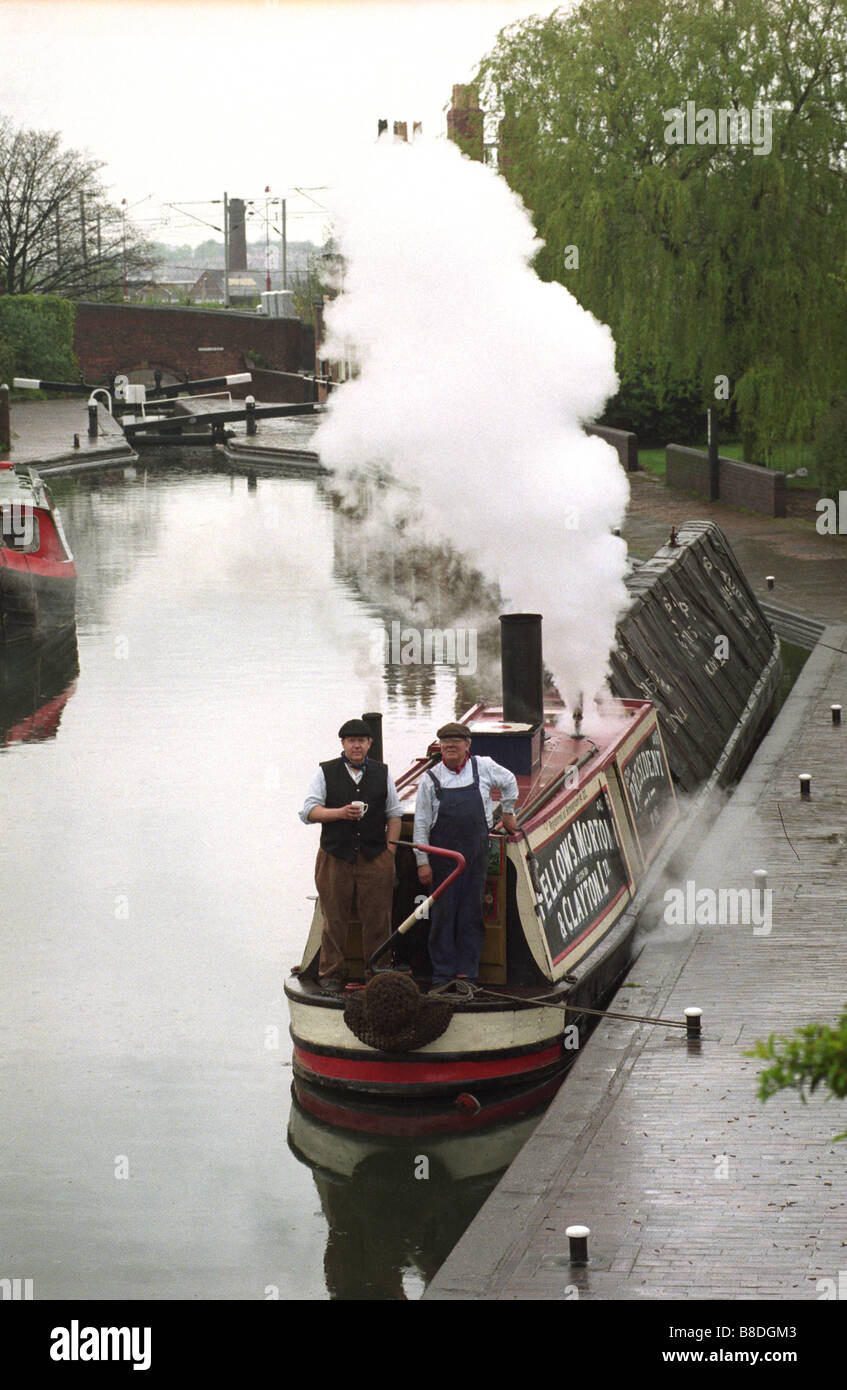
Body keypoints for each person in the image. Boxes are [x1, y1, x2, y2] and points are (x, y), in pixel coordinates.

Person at [300, 719, 402, 992]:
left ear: (369, 744)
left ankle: (378, 974)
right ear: (343, 744)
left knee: (379, 918)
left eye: (362, 740)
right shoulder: (325, 772)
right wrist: (340, 813)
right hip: (334, 856)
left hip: (374, 856)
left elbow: (394, 814)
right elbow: (308, 812)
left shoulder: (382, 773)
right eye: (351, 741)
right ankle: (331, 976)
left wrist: (390, 851)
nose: (357, 745)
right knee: (334, 918)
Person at [413, 722, 518, 987]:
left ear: (467, 745)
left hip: (476, 853)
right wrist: (422, 862)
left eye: (456, 742)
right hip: (443, 857)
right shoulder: (430, 779)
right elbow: (421, 825)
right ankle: (443, 975)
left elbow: (509, 781)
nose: (450, 746)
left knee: (472, 913)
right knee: (442, 916)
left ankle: (467, 973)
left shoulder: (483, 767)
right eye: (445, 742)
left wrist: (508, 813)